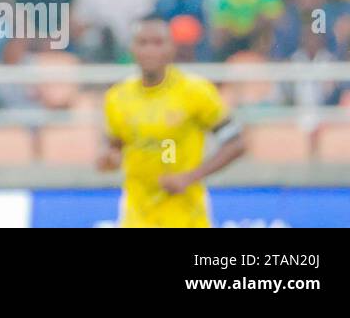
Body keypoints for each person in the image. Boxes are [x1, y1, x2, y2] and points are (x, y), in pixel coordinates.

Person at [98, 15, 245, 227]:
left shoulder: (195, 91)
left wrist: (190, 177)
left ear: (171, 49)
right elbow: (116, 145)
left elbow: (236, 143)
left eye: (157, 43)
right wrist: (108, 158)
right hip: (137, 216)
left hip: (186, 216)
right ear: (132, 49)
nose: (150, 50)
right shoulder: (117, 97)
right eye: (143, 43)